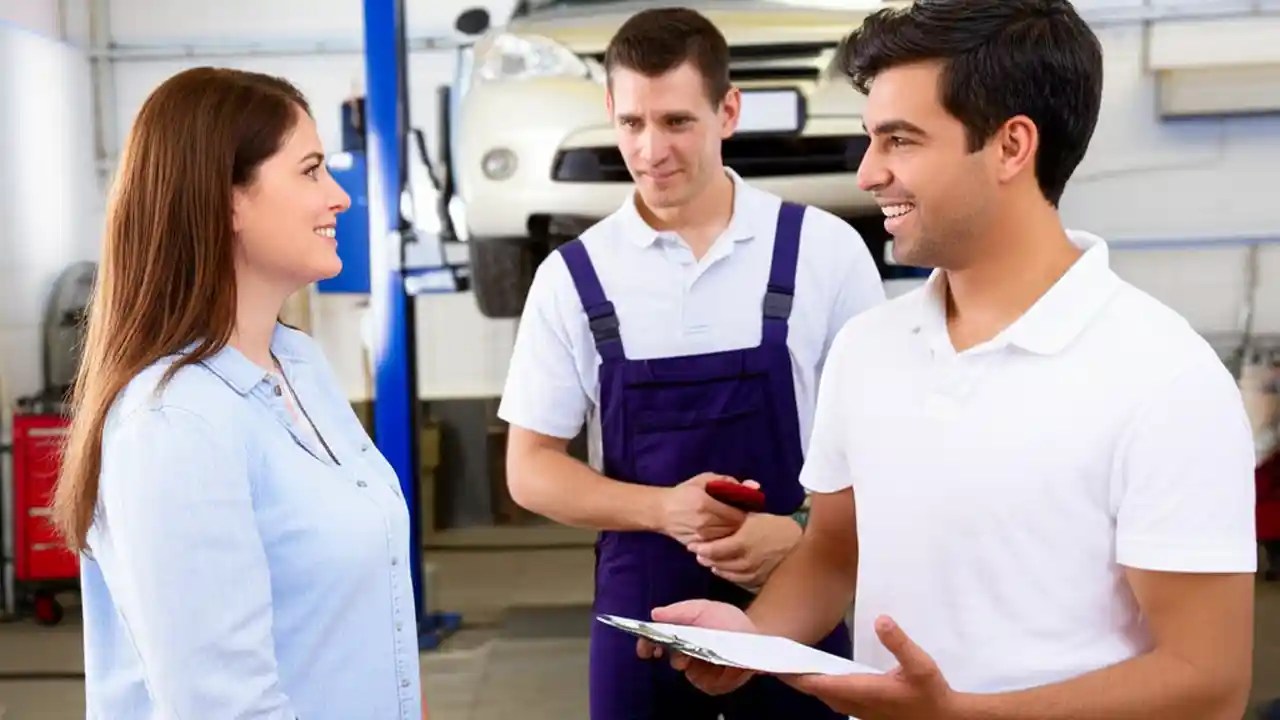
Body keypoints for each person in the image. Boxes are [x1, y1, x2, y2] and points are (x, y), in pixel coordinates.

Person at [643, 1, 1258, 718]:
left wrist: (963, 715)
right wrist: (753, 637)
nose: (868, 173)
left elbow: (1208, 679)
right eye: (871, 139)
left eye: (900, 140)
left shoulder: (1164, 379)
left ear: (1010, 146)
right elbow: (835, 551)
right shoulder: (868, 350)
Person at [497, 7, 885, 719]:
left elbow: (882, 448)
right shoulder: (574, 277)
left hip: (793, 608)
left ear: (727, 111)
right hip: (642, 625)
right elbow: (529, 469)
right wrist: (664, 511)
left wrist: (802, 530)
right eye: (632, 123)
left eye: (677, 122)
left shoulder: (823, 252)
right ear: (610, 113)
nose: (652, 150)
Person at [51, 67, 425, 719]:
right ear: (227, 201)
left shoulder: (300, 364)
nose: (339, 197)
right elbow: (223, 705)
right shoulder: (175, 422)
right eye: (311, 171)